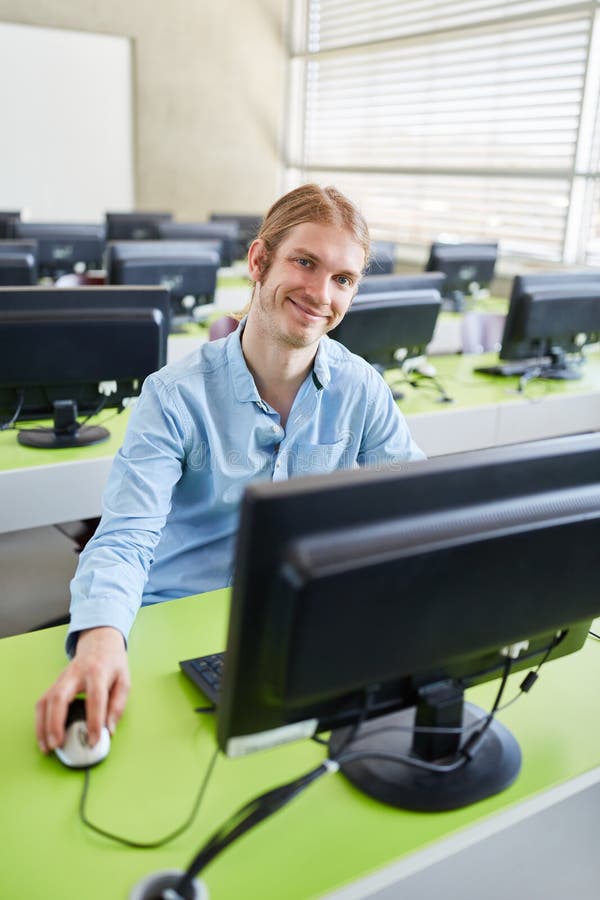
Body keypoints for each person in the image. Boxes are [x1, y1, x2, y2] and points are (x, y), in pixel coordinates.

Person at [36, 183, 425, 754]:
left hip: (299, 629)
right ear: (259, 261)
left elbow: (416, 511)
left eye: (343, 279)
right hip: (177, 622)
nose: (321, 294)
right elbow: (124, 537)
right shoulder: (174, 395)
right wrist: (100, 638)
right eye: (304, 262)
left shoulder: (361, 388)